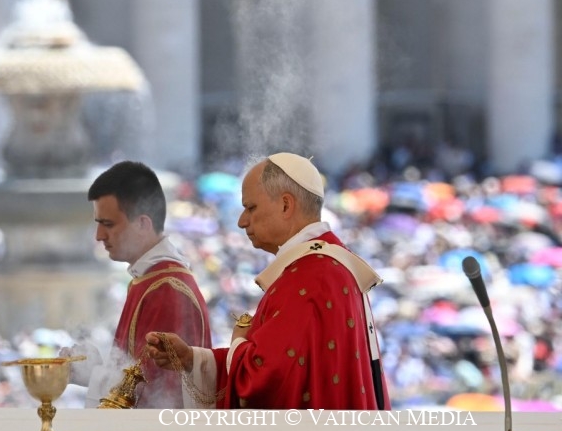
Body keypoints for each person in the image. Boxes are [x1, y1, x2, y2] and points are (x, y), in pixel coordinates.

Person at [146, 152, 390, 410]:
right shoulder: (325, 265)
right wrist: (191, 359)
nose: (241, 222)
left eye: (250, 207)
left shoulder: (308, 277)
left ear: (286, 205)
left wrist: (239, 340)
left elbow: (262, 379)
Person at [63, 160, 212, 408]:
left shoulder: (167, 289)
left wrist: (95, 375)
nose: (99, 236)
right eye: (98, 224)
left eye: (108, 224)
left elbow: (159, 395)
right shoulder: (149, 279)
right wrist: (101, 368)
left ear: (142, 224)